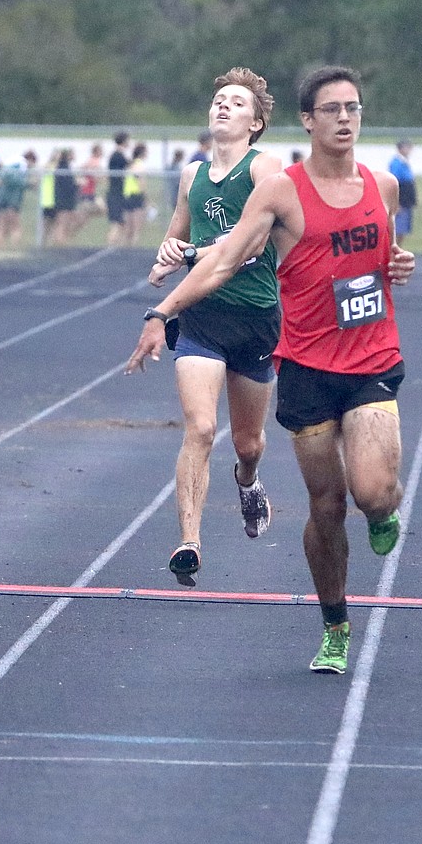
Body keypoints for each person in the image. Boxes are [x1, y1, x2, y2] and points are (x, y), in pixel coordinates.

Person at [128, 65, 416, 675]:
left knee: (369, 492)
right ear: (308, 121)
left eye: (354, 108)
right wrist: (162, 310)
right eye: (332, 108)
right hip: (307, 364)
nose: (345, 118)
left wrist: (398, 266)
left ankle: (386, 510)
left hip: (370, 358)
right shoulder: (280, 191)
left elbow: (380, 255)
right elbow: (224, 261)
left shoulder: (383, 185)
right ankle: (335, 625)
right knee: (326, 507)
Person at [123, 67, 287, 587]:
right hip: (202, 320)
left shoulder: (268, 170)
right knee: (199, 428)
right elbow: (173, 245)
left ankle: (249, 481)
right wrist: (167, 255)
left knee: (248, 443)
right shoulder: (192, 176)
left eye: (237, 103)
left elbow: (252, 242)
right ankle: (189, 541)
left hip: (255, 318)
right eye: (218, 99)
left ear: (255, 122)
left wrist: (193, 252)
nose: (223, 107)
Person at [0, 148, 35, 249]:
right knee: (14, 224)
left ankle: (0, 245)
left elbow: (1, 177)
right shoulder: (22, 165)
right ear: (30, 159)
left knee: (1, 222)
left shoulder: (11, 161)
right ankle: (14, 246)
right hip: (13, 197)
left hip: (2, 196)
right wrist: (29, 184)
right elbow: (18, 180)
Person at [45, 148, 78, 245]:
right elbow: (67, 185)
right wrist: (77, 184)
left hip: (65, 200)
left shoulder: (65, 167)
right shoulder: (63, 168)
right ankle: (59, 243)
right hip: (63, 200)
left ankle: (60, 241)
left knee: (65, 222)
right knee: (62, 222)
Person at [105, 132, 132, 246]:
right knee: (116, 223)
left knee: (122, 223)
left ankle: (117, 247)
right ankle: (110, 246)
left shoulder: (118, 156)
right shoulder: (117, 156)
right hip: (115, 193)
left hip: (119, 193)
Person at [388, 140, 417, 243]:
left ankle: (397, 251)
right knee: (398, 228)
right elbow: (395, 182)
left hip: (407, 200)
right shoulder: (397, 163)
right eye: (407, 147)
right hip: (401, 200)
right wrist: (396, 202)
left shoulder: (405, 162)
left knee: (403, 230)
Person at [122, 141, 150, 245]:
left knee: (129, 225)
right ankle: (133, 247)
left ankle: (126, 246)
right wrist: (145, 196)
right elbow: (140, 181)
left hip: (128, 195)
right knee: (136, 226)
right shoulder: (139, 165)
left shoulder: (131, 164)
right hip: (136, 195)